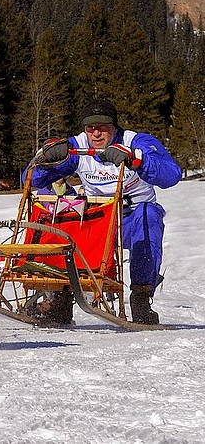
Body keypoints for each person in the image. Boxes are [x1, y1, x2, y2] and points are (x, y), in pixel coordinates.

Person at [24, 98, 182, 325]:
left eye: (103, 128)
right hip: (98, 221)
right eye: (91, 128)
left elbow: (172, 174)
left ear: (114, 127)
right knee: (60, 219)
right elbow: (31, 180)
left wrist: (136, 160)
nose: (96, 134)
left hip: (133, 218)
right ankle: (59, 298)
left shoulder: (135, 142)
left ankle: (141, 297)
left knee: (148, 214)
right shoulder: (77, 146)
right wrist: (46, 158)